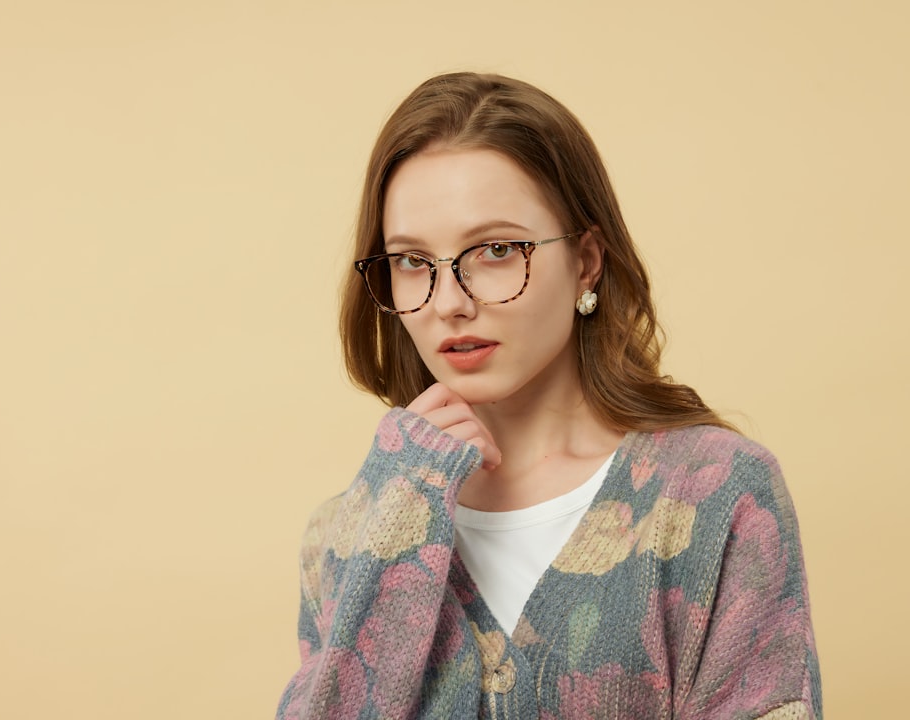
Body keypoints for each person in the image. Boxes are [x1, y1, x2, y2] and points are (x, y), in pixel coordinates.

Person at [276, 72, 822, 719]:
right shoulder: (342, 537)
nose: (450, 302)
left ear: (587, 260)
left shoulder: (714, 498)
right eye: (412, 262)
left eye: (497, 249)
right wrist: (394, 521)